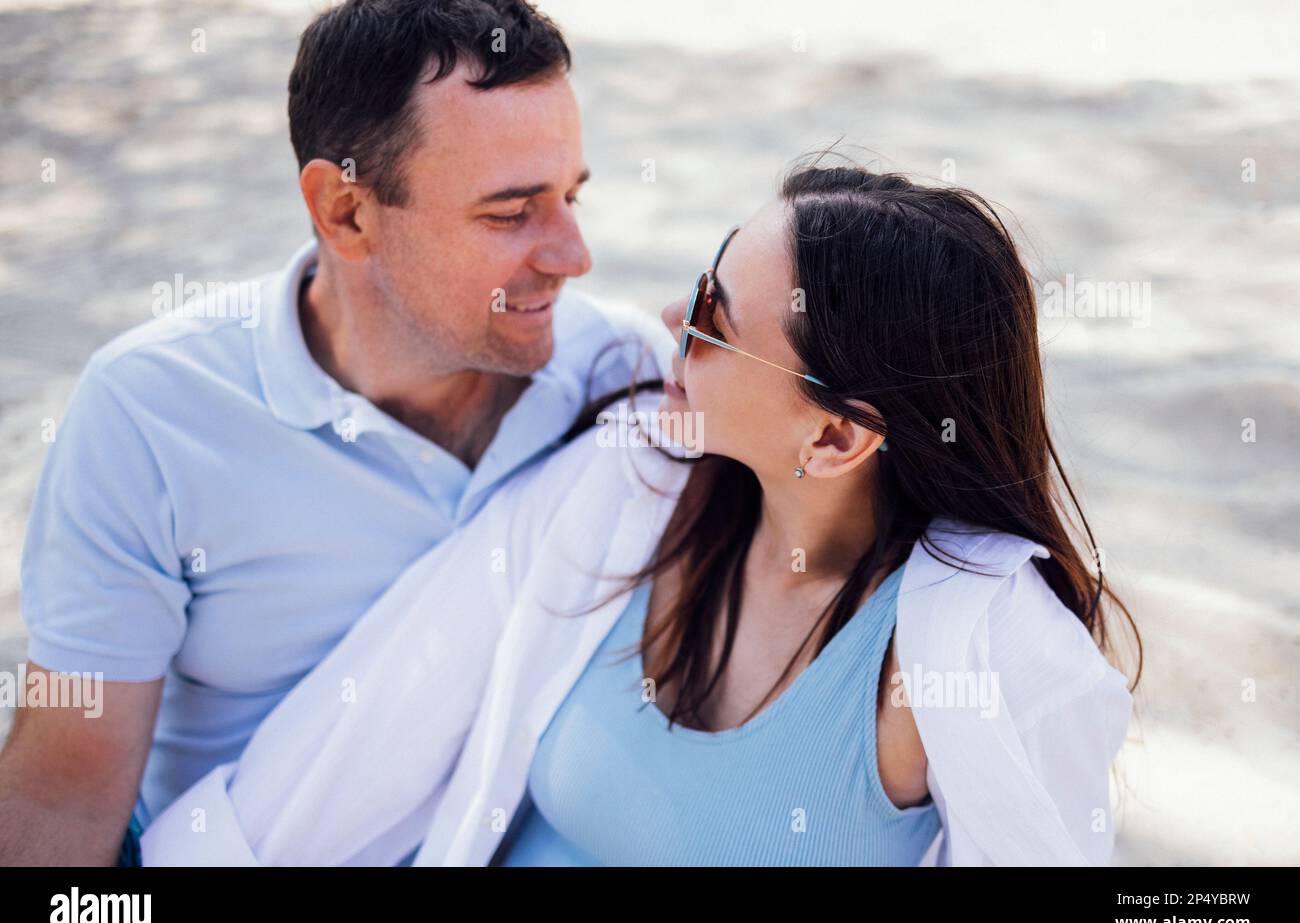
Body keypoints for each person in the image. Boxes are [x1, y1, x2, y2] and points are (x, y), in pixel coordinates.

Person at [140, 161, 1142, 867]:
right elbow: (367, 728)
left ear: (836, 438)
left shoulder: (979, 657)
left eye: (712, 318)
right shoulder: (628, 487)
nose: (669, 319)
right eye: (698, 282)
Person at [0, 0, 665, 866]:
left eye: (571, 195)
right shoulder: (150, 416)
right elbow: (65, 792)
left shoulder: (627, 380)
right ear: (346, 211)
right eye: (512, 213)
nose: (574, 255)